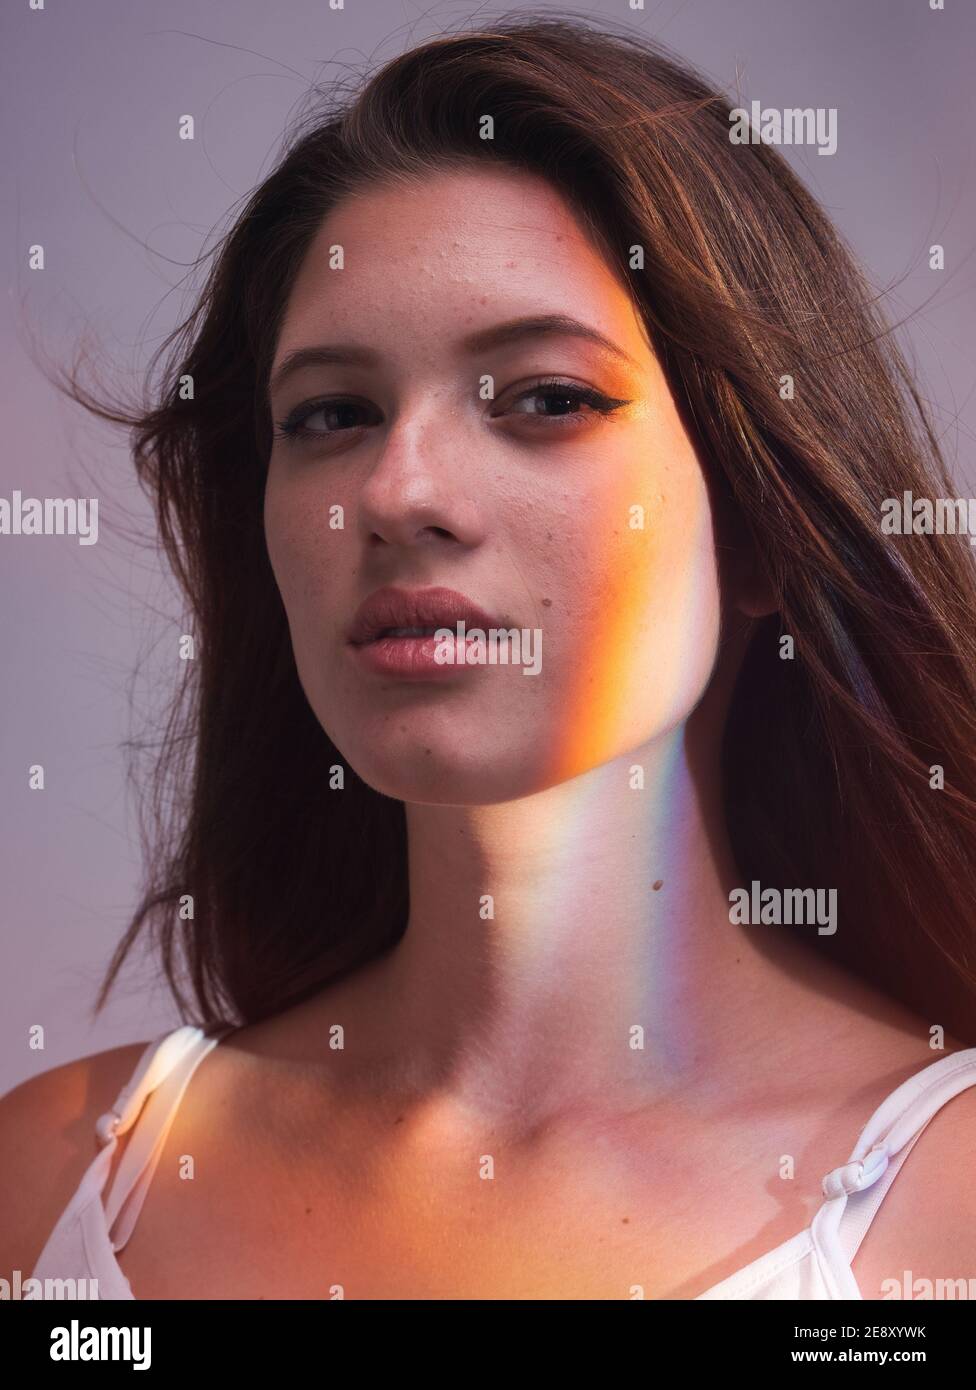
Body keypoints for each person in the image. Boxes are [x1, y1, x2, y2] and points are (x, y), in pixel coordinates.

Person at [3, 14, 976, 1300]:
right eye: (332, 414)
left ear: (757, 522)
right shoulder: (57, 1187)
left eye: (546, 397)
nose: (398, 489)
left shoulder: (947, 1216)